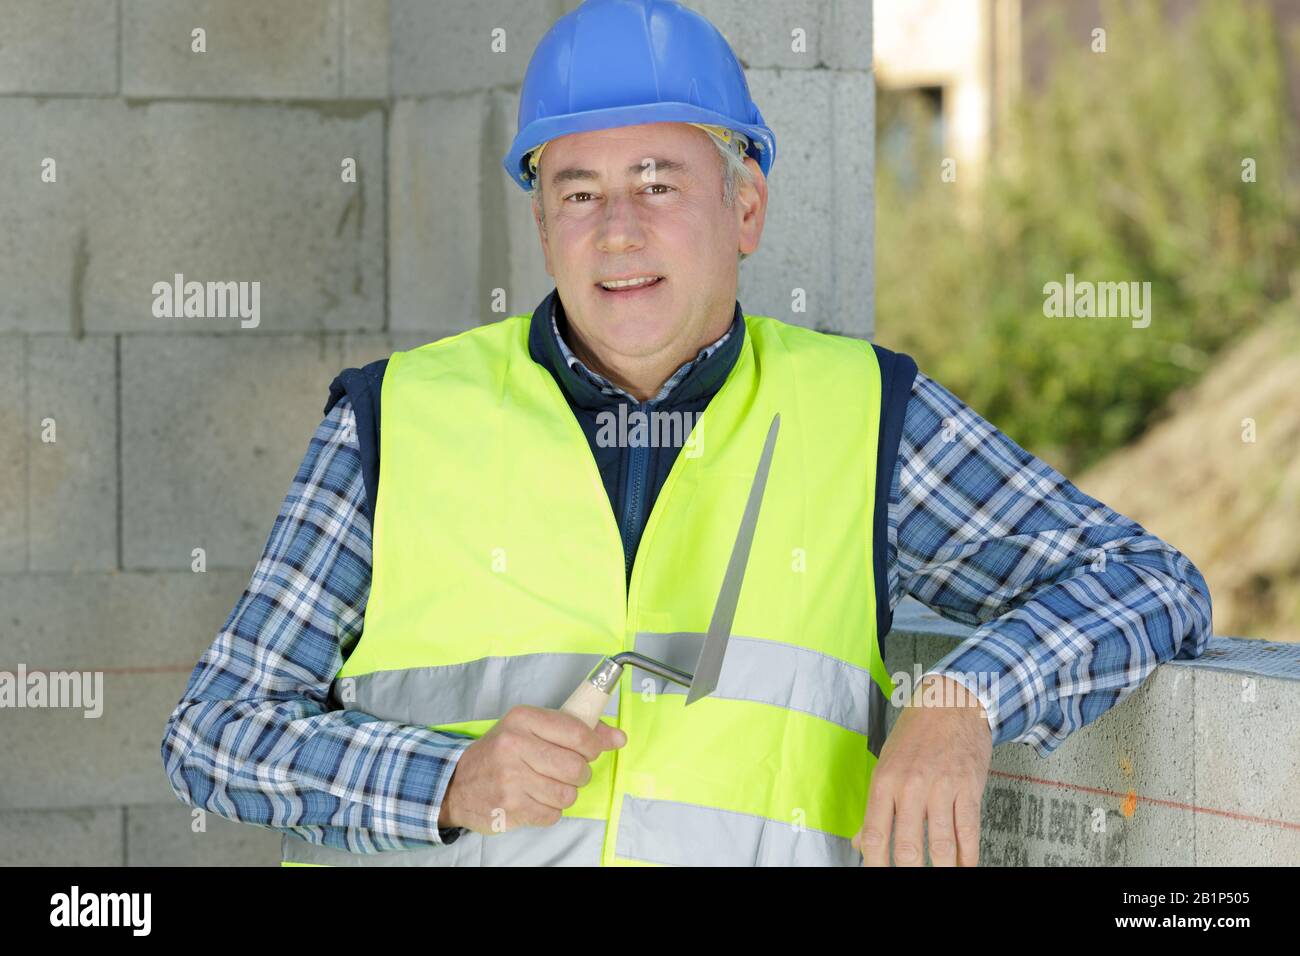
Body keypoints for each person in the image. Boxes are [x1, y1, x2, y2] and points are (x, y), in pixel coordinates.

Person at [161, 0, 1212, 867]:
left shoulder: (864, 414)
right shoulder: (392, 422)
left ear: (744, 207)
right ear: (542, 225)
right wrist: (441, 780)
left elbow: (1147, 579)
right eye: (579, 192)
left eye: (658, 184)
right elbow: (213, 729)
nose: (618, 230)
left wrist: (961, 697)